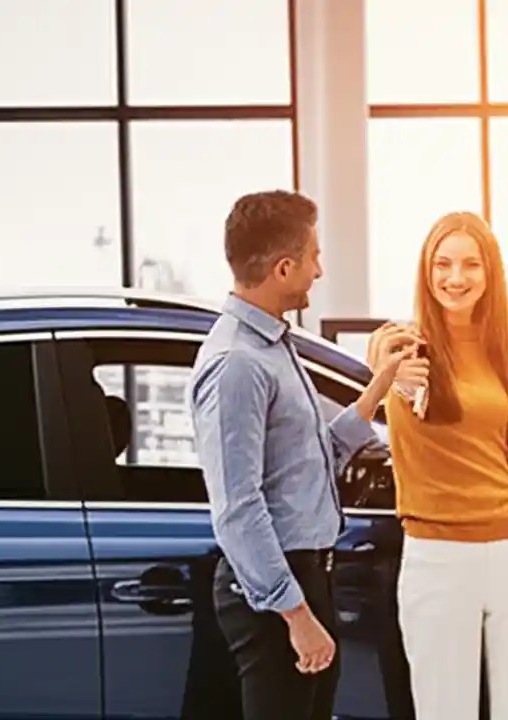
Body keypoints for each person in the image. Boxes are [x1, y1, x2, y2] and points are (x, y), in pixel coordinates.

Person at [189, 189, 418, 720]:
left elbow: (314, 457)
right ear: (284, 268)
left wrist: (376, 389)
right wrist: (295, 614)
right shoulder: (237, 364)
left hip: (303, 577)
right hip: (275, 592)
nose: (320, 269)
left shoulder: (272, 347)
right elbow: (238, 507)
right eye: (314, 257)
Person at [366, 211, 508, 720]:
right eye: (443, 264)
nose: (455, 278)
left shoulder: (507, 351)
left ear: (489, 273)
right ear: (426, 269)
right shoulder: (396, 347)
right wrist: (389, 379)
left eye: (469, 265)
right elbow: (379, 407)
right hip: (436, 560)